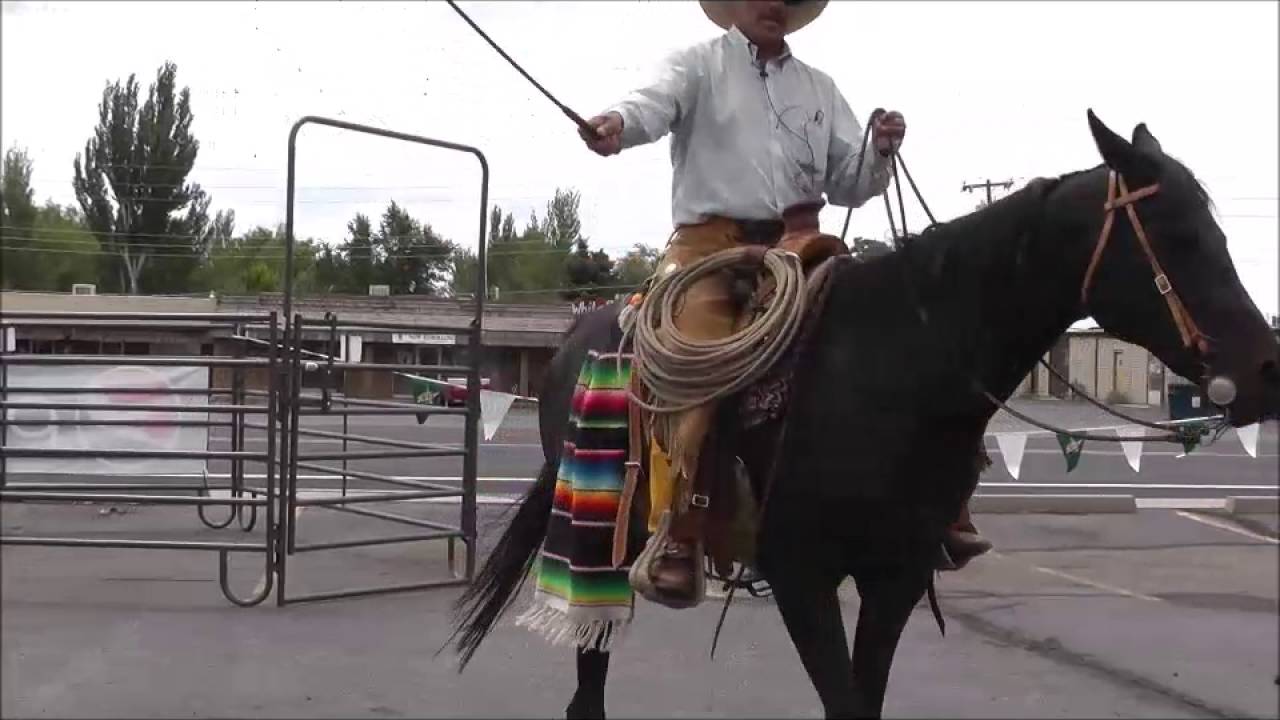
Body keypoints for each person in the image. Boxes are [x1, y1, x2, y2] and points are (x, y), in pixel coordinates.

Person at [579, 0, 991, 605]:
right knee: (696, 361)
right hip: (709, 249)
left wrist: (878, 149)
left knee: (898, 336)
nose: (772, 3)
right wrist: (616, 123)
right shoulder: (697, 67)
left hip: (802, 246)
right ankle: (681, 530)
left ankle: (938, 506)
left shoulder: (819, 88)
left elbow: (852, 181)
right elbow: (651, 105)